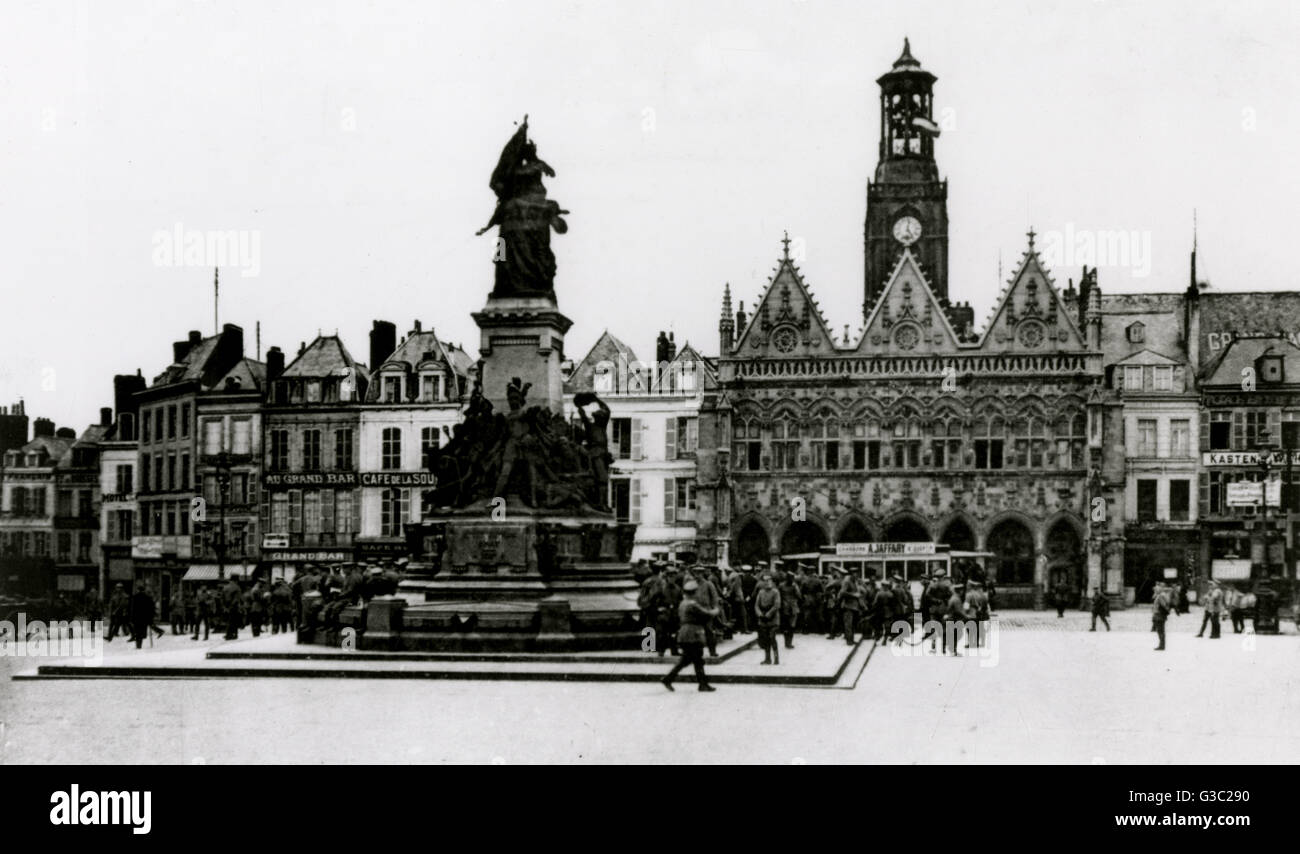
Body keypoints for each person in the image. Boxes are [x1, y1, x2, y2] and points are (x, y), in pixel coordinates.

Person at [661, 579, 718, 692]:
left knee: (688, 660)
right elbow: (706, 614)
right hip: (693, 634)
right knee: (697, 659)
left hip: (684, 633)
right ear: (694, 592)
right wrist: (716, 610)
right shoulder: (692, 604)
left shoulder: (683, 603)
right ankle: (702, 684)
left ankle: (669, 679)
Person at [754, 574, 782, 665]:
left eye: (769, 581)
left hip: (773, 619)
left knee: (772, 637)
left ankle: (776, 658)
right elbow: (756, 605)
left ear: (772, 582)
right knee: (765, 639)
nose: (767, 583)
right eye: (765, 581)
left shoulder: (775, 592)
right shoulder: (761, 592)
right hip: (763, 619)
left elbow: (777, 605)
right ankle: (767, 658)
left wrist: (769, 614)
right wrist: (760, 614)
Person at [129, 585, 162, 650]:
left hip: (137, 617)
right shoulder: (148, 598)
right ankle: (139, 645)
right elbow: (152, 608)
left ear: (138, 590)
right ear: (143, 590)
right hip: (145, 618)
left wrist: (131, 617)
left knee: (137, 631)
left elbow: (132, 608)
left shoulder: (135, 597)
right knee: (141, 632)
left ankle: (138, 645)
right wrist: (151, 617)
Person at [837, 571, 863, 646]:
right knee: (848, 624)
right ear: (851, 574)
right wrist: (854, 595)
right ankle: (849, 640)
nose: (856, 576)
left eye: (857, 574)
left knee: (853, 625)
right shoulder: (847, 582)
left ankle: (851, 639)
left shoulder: (855, 582)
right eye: (855, 574)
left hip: (854, 607)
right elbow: (842, 592)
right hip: (848, 606)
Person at [777, 570, 801, 649]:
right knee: (789, 626)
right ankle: (788, 643)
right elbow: (799, 596)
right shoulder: (793, 585)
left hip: (788, 608)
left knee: (788, 626)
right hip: (789, 608)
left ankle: (788, 643)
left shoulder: (782, 585)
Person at [965, 580, 989, 648]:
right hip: (978, 614)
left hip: (971, 613)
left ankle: (970, 643)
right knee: (977, 628)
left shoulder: (969, 595)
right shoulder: (980, 594)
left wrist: (965, 613)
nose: (967, 587)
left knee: (969, 628)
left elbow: (966, 606)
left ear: (970, 586)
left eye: (968, 586)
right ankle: (976, 643)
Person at [221, 576, 243, 640]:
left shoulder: (225, 587)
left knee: (229, 620)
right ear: (236, 580)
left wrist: (225, 606)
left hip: (226, 606)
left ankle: (228, 633)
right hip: (234, 606)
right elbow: (237, 598)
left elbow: (222, 597)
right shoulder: (237, 587)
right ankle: (233, 634)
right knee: (234, 620)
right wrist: (232, 605)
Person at [1152, 582, 1172, 651]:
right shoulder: (1163, 594)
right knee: (1161, 630)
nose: (1156, 588)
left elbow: (1163, 605)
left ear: (1161, 588)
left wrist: (1164, 612)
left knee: (1160, 631)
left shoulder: (1161, 595)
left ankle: (1161, 645)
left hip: (1159, 615)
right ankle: (1161, 645)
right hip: (1160, 615)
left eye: (1158, 587)